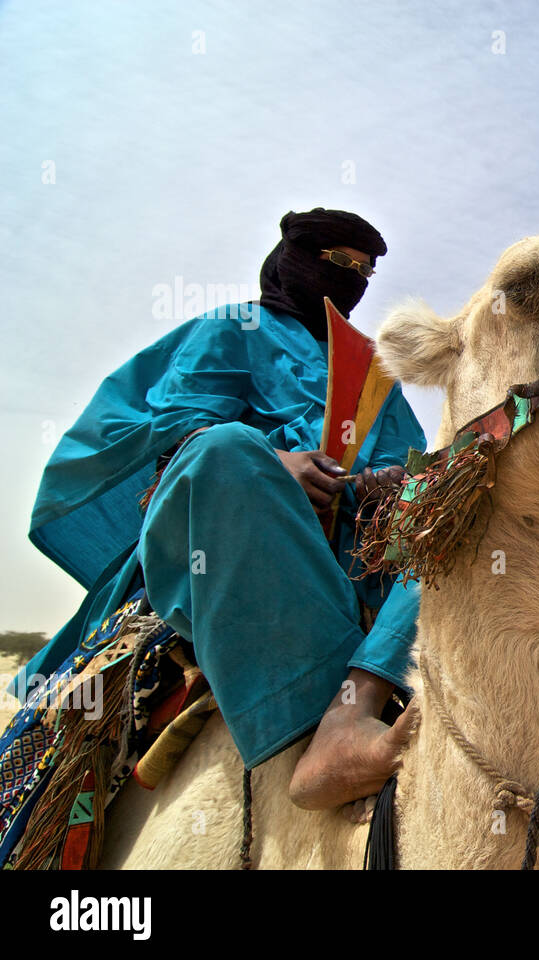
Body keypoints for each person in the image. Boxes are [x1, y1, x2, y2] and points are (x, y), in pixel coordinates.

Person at [11, 209, 425, 818]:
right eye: (341, 263)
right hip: (237, 529)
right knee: (226, 450)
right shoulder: (236, 328)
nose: (356, 278)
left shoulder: (374, 371)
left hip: (355, 553)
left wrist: (385, 482)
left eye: (367, 270)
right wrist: (278, 462)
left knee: (458, 503)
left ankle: (353, 710)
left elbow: (402, 460)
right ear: (295, 259)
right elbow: (181, 427)